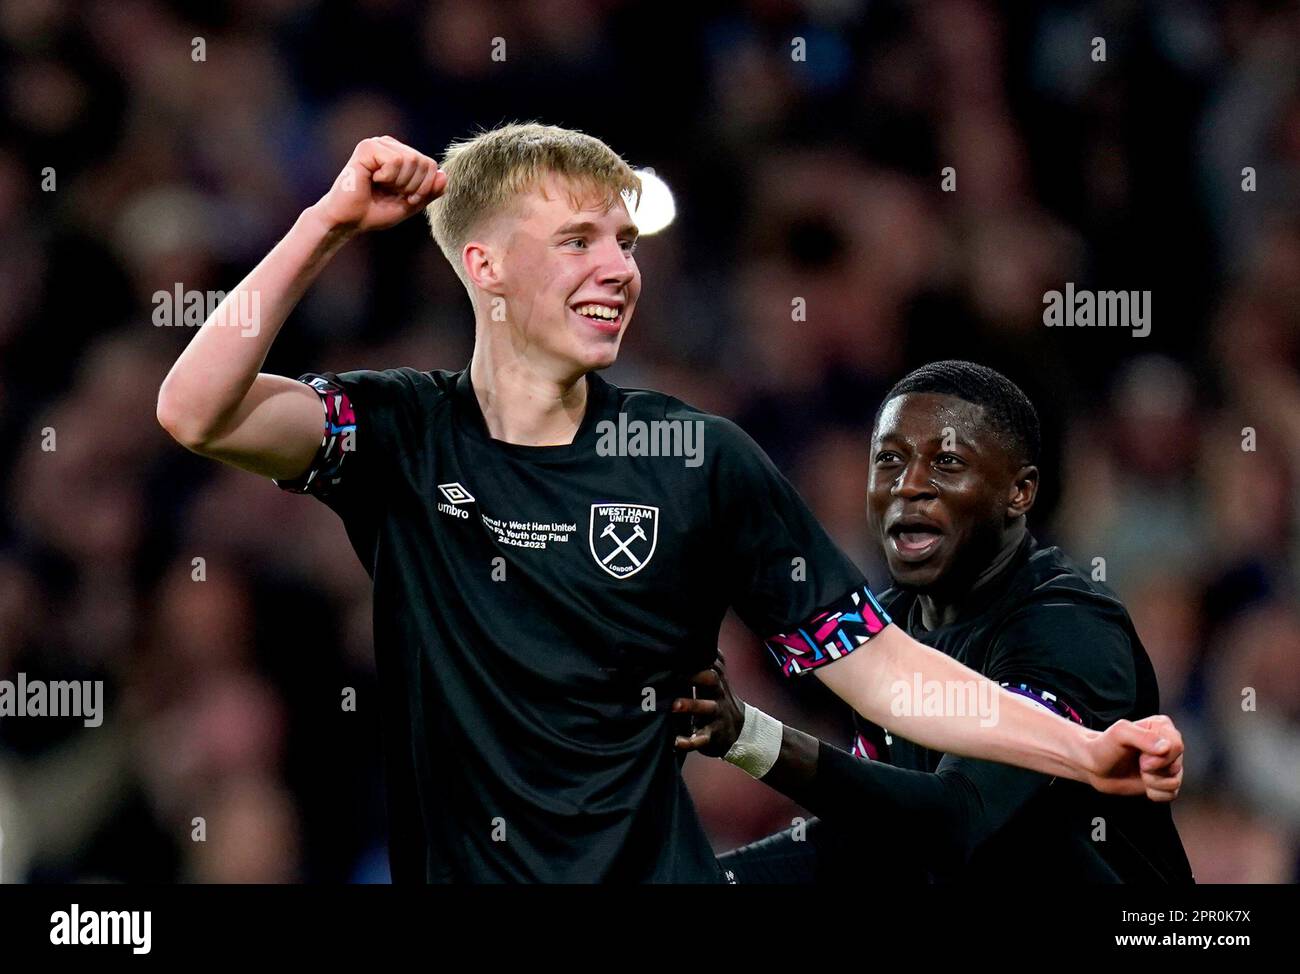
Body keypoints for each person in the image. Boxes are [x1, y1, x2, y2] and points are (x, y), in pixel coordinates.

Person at [156, 125, 1182, 882]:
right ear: (485, 267)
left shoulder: (696, 459)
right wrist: (324, 223)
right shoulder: (399, 436)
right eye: (576, 242)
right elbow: (196, 408)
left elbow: (886, 672)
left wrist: (1085, 750)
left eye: (625, 243)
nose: (616, 269)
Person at [675, 361, 1193, 883]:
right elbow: (875, 837)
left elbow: (956, 821)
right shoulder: (890, 624)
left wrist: (752, 736)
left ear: (1020, 492)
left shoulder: (1069, 627)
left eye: (946, 462)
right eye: (890, 460)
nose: (909, 485)